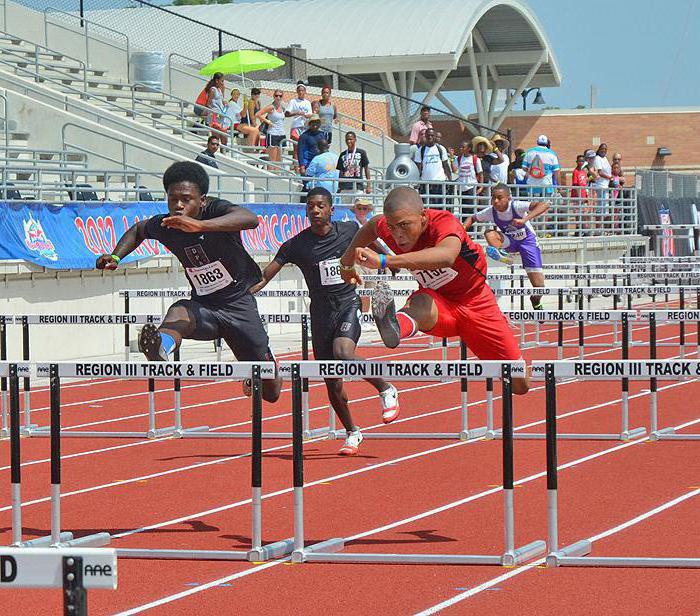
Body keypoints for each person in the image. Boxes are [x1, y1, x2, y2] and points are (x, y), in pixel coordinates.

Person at [95, 161, 282, 403]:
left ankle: (255, 374)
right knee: (178, 311)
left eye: (186, 199)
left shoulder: (216, 210)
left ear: (202, 200)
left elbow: (250, 219)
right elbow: (138, 230)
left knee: (271, 392)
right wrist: (116, 255)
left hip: (239, 307)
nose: (179, 205)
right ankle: (160, 347)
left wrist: (200, 226)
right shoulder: (166, 225)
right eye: (173, 199)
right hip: (203, 308)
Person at [250, 188, 400, 455]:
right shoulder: (296, 245)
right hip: (320, 314)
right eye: (310, 207)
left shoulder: (348, 229)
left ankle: (386, 388)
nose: (315, 211)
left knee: (344, 353)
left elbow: (370, 240)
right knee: (332, 380)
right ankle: (352, 432)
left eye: (320, 206)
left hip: (347, 304)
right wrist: (246, 292)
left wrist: (389, 261)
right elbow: (267, 274)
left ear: (331, 209)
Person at [339, 186, 529, 395]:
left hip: (476, 302)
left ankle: (504, 361)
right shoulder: (389, 224)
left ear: (423, 216)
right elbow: (373, 225)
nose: (398, 235)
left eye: (404, 226)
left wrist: (385, 260)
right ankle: (394, 326)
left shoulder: (444, 222)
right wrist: (346, 263)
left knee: (519, 384)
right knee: (420, 302)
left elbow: (446, 255)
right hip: (438, 304)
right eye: (392, 227)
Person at [463, 183, 548, 310]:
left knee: (539, 287)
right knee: (489, 233)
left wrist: (525, 219)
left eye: (499, 197)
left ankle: (535, 300)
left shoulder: (517, 206)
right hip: (510, 241)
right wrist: (461, 230)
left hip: (527, 242)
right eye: (493, 198)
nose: (495, 201)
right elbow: (472, 218)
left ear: (508, 198)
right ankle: (503, 255)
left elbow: (544, 205)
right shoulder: (491, 211)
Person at [413, 128, 451, 208]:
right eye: (428, 135)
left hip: (440, 182)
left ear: (435, 137)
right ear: (425, 137)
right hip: (425, 183)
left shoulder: (441, 149)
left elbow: (445, 165)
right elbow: (418, 168)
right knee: (426, 207)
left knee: (440, 206)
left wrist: (450, 181)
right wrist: (417, 181)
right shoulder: (420, 150)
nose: (430, 137)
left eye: (432, 135)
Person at [286, 81, 313, 166]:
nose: (301, 92)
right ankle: (295, 166)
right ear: (297, 92)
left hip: (305, 127)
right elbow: (286, 113)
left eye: (302, 90)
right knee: (296, 147)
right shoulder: (293, 101)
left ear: (305, 92)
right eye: (299, 90)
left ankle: (302, 165)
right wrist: (296, 113)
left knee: (304, 148)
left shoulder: (308, 102)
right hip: (296, 126)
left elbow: (310, 114)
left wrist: (307, 115)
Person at [337, 131, 371, 198]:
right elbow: (341, 172)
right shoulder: (342, 154)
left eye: (351, 139)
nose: (349, 141)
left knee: (358, 206)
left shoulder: (361, 152)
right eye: (347, 140)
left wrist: (368, 185)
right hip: (345, 187)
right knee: (346, 208)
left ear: (355, 140)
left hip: (357, 186)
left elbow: (366, 169)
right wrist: (339, 186)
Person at [452, 140, 483, 213]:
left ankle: (471, 224)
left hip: (471, 187)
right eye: (460, 147)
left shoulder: (475, 159)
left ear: (469, 148)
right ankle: (464, 224)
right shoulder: (459, 158)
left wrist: (481, 187)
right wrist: (451, 157)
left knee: (471, 209)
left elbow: (480, 173)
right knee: (462, 209)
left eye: (463, 147)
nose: (461, 149)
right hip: (461, 187)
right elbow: (454, 169)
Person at [257, 88, 286, 164]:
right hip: (273, 134)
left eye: (280, 96)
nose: (278, 97)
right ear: (274, 96)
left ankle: (278, 175)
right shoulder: (271, 107)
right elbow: (258, 114)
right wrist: (268, 121)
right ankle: (271, 174)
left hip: (281, 134)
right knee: (272, 160)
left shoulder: (282, 108)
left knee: (279, 160)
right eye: (276, 96)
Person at [593, 143, 613, 233]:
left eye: (605, 149)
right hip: (600, 186)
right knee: (600, 208)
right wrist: (610, 178)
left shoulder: (605, 158)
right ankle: (598, 229)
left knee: (605, 208)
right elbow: (600, 172)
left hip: (605, 186)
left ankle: (605, 229)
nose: (604, 150)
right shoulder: (597, 158)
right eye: (602, 149)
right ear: (599, 149)